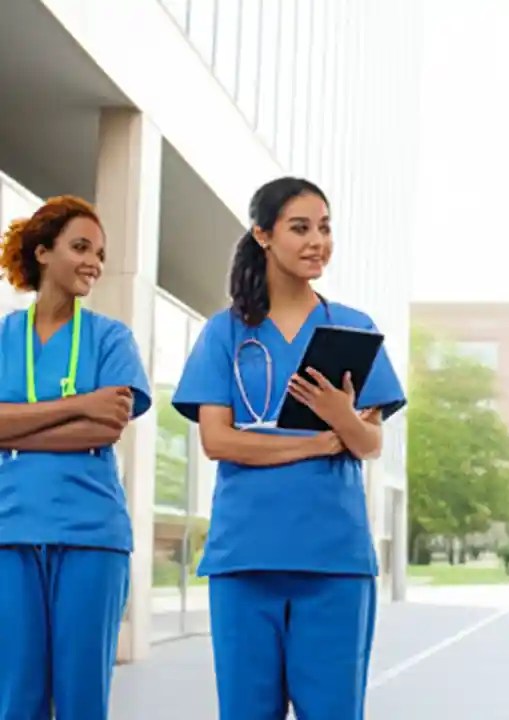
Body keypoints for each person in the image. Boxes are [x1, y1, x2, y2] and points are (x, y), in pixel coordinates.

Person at [171, 177, 406, 718]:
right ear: (263, 234)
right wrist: (320, 442)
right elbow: (217, 441)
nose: (316, 241)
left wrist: (342, 418)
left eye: (324, 228)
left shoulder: (352, 328)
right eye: (300, 228)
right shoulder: (225, 333)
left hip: (334, 561)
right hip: (245, 559)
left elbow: (369, 444)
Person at [0, 195, 151, 719]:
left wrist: (14, 428)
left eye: (101, 253)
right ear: (43, 252)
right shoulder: (3, 337)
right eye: (81, 247)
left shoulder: (111, 338)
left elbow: (108, 425)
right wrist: (81, 404)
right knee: (16, 698)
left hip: (91, 535)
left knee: (82, 698)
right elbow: (92, 414)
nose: (94, 262)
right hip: (10, 532)